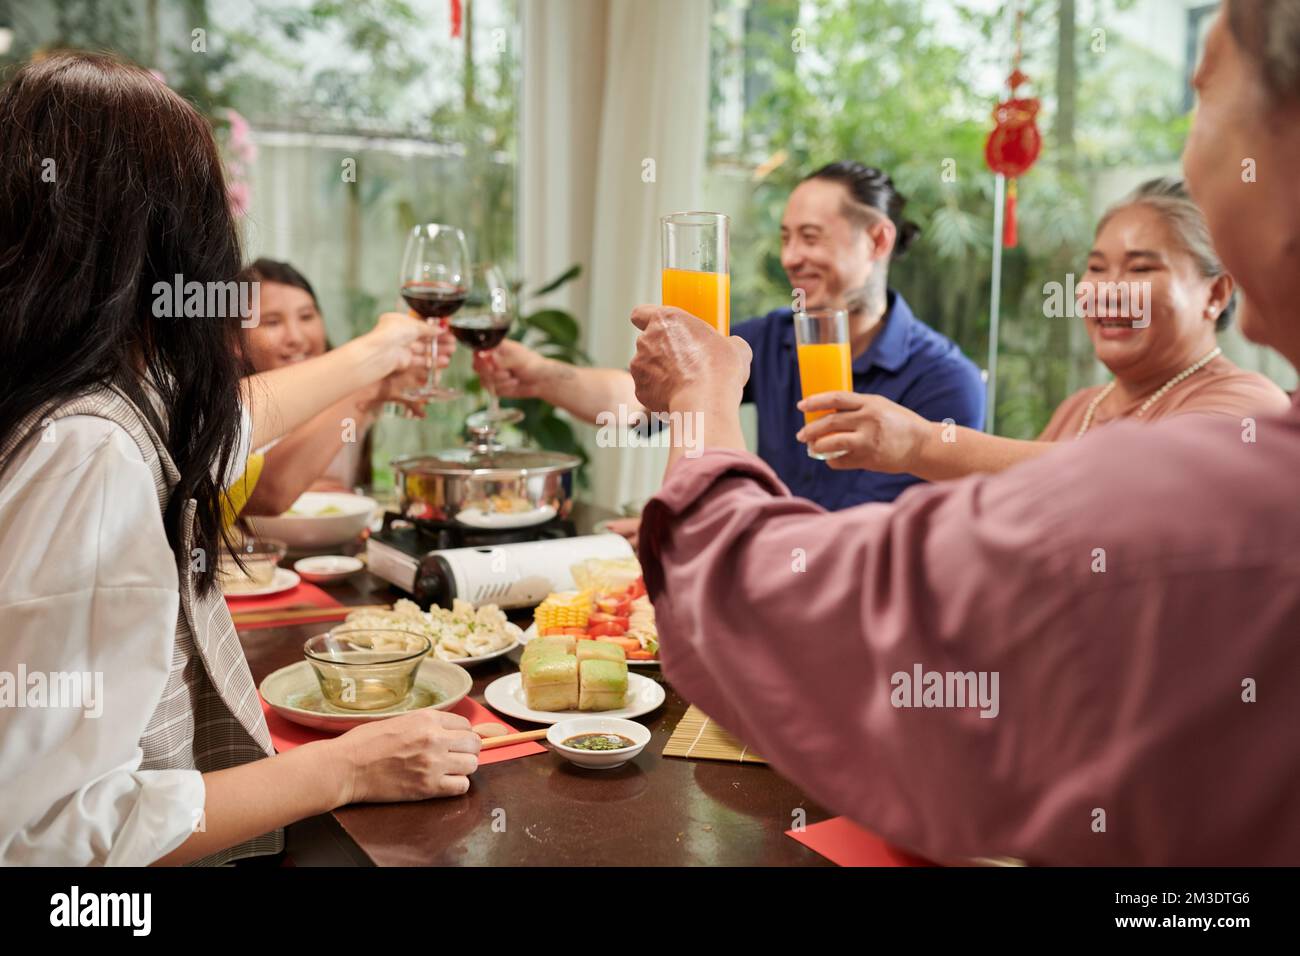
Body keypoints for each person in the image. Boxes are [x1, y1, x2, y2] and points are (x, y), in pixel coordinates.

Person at [625, 0, 1300, 865]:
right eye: (1097, 268)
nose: (1189, 156)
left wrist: (704, 399)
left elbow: (776, 609)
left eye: (1203, 96)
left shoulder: (1235, 449)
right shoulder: (1091, 413)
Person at [0, 52, 480, 867]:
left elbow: (212, 435)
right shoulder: (88, 453)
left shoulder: (71, 394)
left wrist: (370, 359)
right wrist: (349, 766)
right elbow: (48, 833)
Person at [474, 162, 985, 510]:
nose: (791, 258)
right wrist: (541, 376)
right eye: (786, 238)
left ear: (878, 239)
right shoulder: (773, 338)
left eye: (811, 237)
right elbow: (643, 406)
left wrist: (717, 539)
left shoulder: (945, 379)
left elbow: (903, 541)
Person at [796, 177, 1290, 476]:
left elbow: (1132, 486)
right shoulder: (1082, 406)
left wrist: (920, 444)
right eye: (1096, 268)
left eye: (1141, 269)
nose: (1109, 290)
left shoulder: (1248, 404)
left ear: (1217, 293)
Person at [237, 258, 455, 515]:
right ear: (233, 341)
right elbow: (267, 494)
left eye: (307, 316)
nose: (296, 337)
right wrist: (366, 388)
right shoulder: (229, 410)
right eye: (272, 322)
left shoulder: (353, 389)